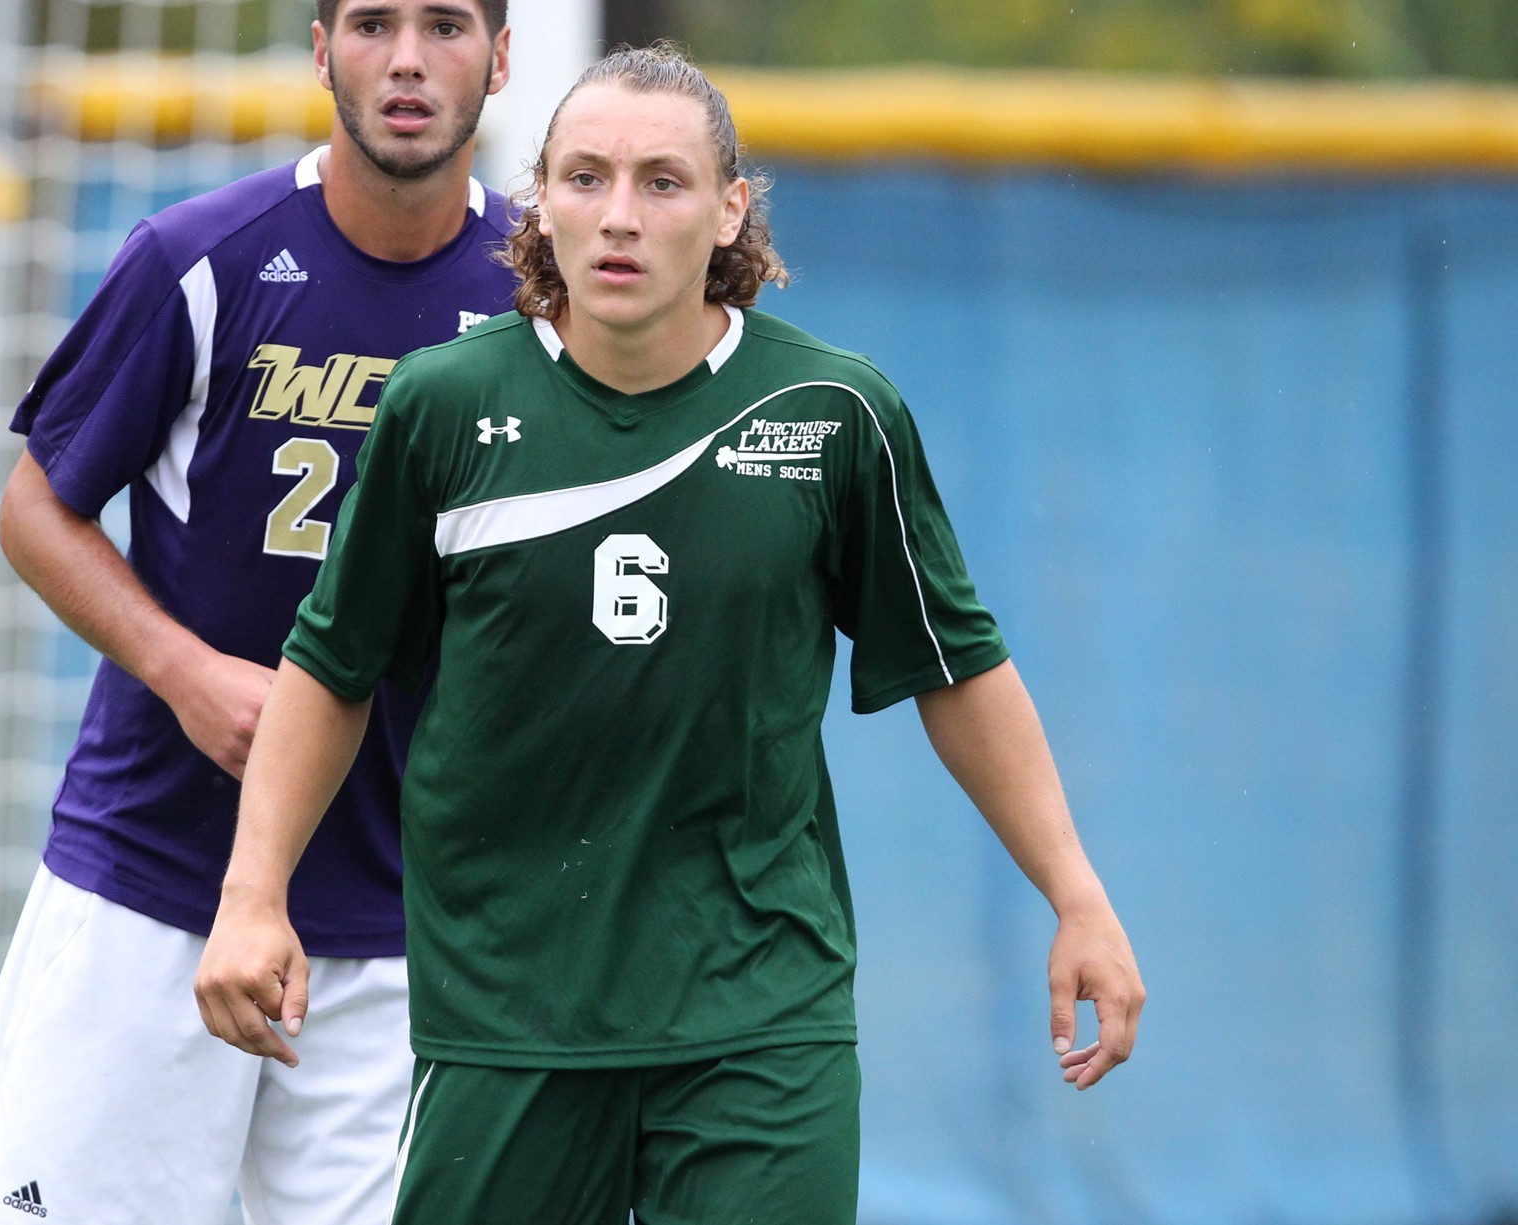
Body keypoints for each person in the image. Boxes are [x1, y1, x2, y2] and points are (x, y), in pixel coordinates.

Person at [194, 42, 1146, 1225]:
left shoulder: (833, 415)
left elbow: (955, 669)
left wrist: (1077, 896)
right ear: (539, 202)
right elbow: (330, 667)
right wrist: (251, 894)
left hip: (758, 1011)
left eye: (661, 182)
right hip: (506, 1013)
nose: (618, 217)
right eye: (584, 178)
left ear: (729, 207)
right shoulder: (440, 406)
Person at [0, 4, 515, 1223]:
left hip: (403, 916)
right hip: (156, 875)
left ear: (501, 58)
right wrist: (185, 669)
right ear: (319, 50)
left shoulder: (543, 302)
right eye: (371, 23)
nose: (406, 58)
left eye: (447, 24)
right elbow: (37, 509)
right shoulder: (197, 260)